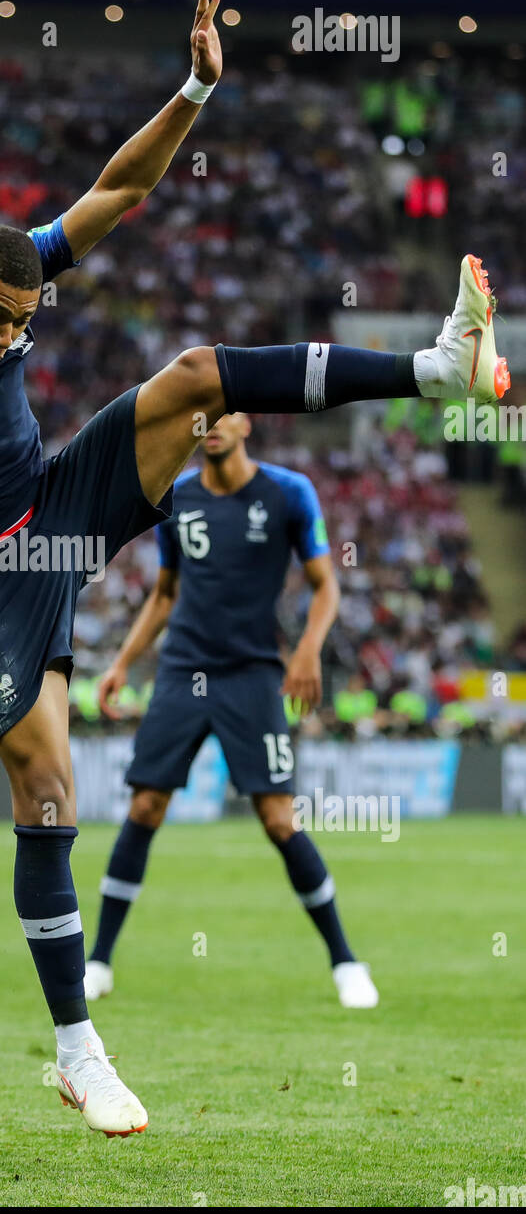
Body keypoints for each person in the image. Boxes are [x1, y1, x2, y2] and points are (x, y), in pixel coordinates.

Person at [0, 0, 506, 1135]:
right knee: (45, 787)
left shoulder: (23, 279)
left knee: (195, 372)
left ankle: (433, 371)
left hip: (55, 499)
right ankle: (76, 1051)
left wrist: (192, 88)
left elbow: (123, 190)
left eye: (16, 323)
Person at [85, 412, 378, 1008]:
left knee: (277, 819)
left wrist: (307, 652)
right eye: (203, 416)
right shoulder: (178, 496)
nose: (209, 424)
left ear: (246, 423)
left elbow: (327, 585)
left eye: (223, 414)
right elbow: (166, 591)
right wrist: (122, 662)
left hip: (252, 676)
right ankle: (99, 962)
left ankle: (346, 961)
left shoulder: (289, 492)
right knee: (145, 805)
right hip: (181, 669)